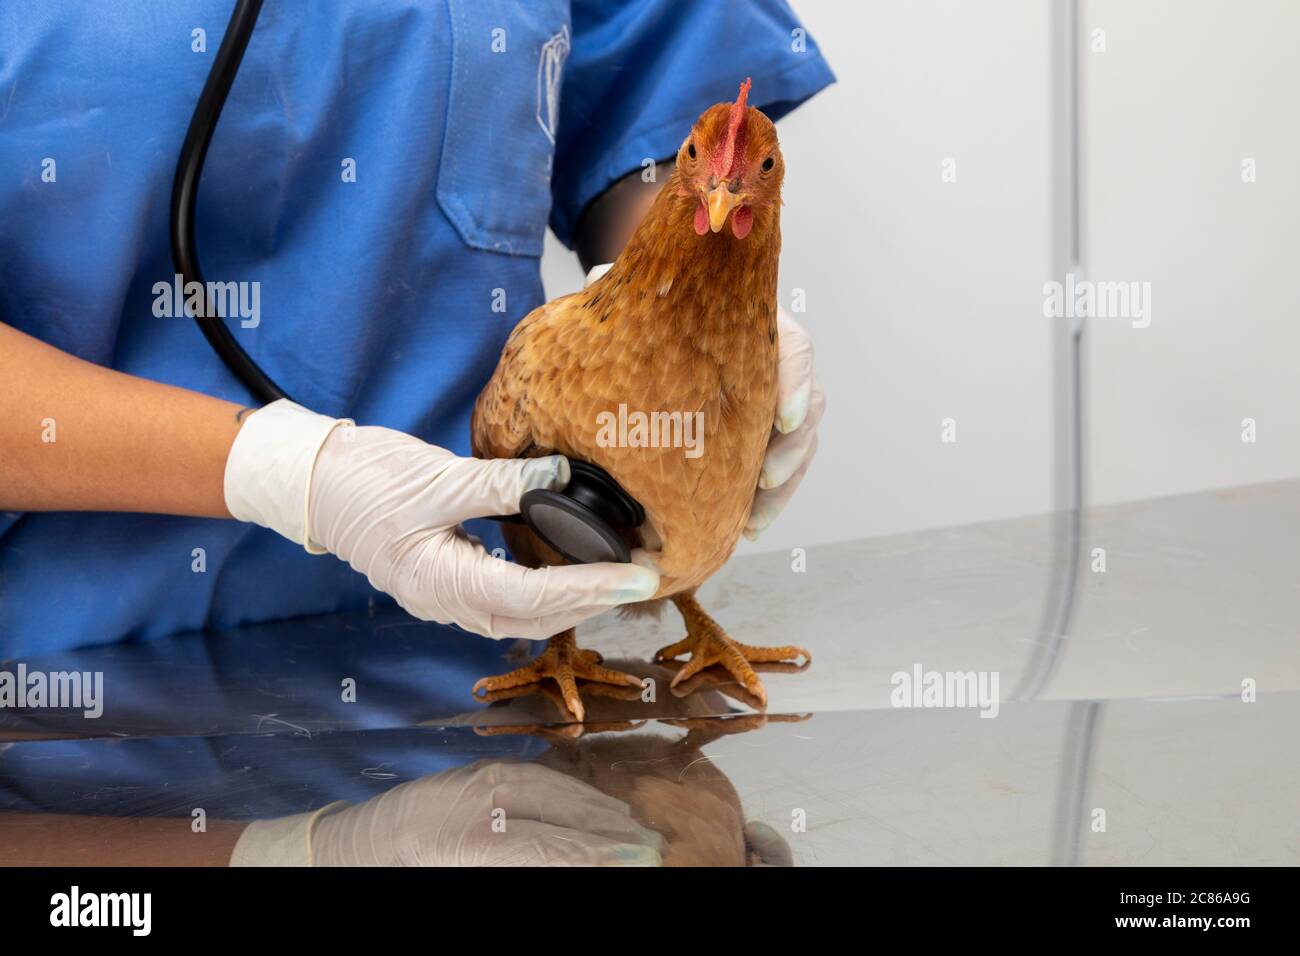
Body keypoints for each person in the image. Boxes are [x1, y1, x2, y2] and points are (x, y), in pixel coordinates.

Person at [0, 0, 833, 656]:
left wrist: (676, 306)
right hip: (72, 686)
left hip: (476, 633)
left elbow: (654, 97)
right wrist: (290, 475)